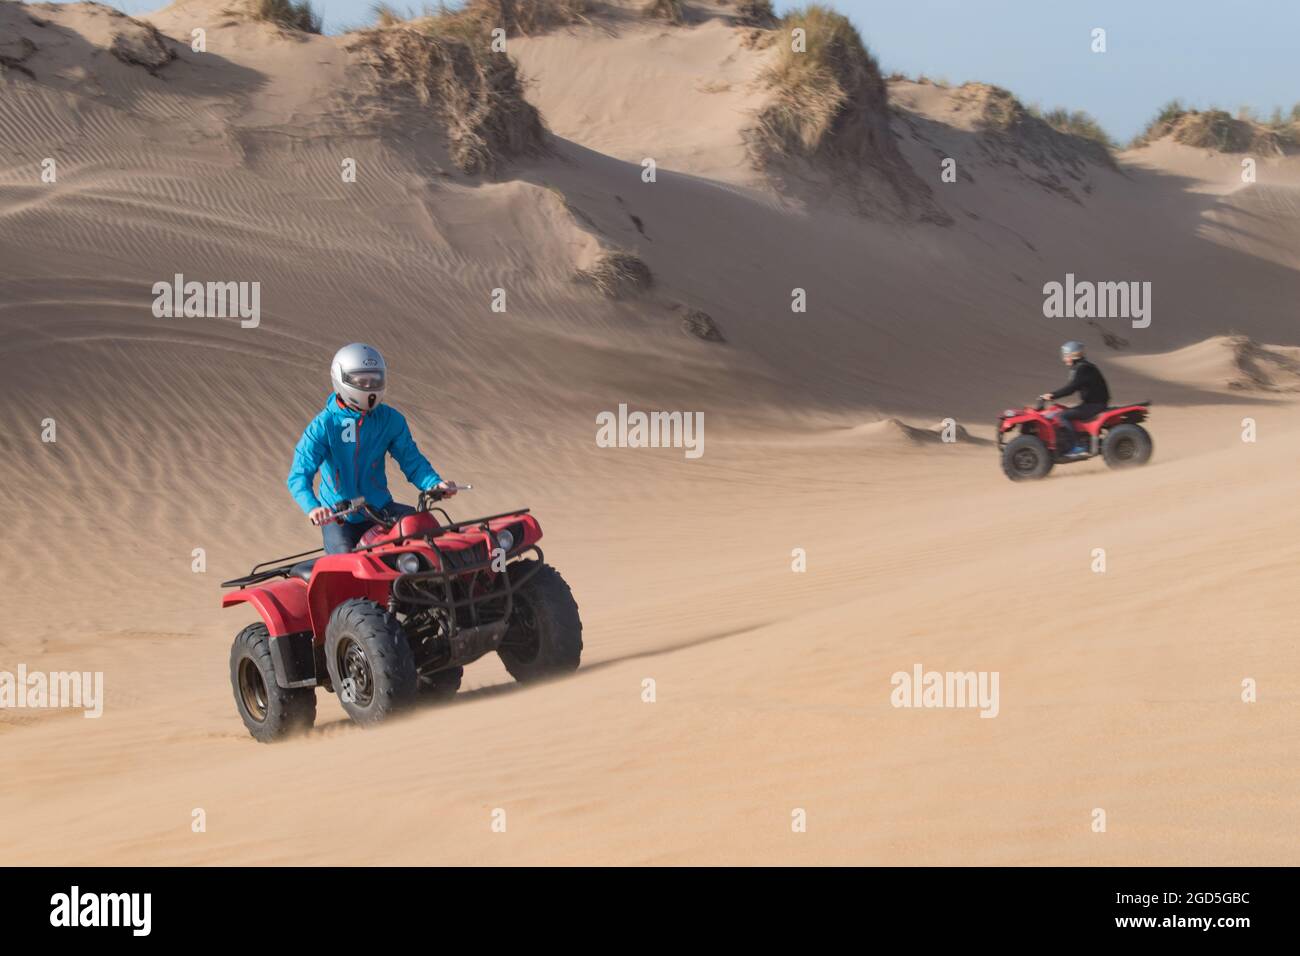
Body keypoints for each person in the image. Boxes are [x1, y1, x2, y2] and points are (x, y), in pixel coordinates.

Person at [287, 343, 457, 554]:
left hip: (380, 507)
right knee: (345, 564)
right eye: (361, 381)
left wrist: (434, 484)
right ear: (342, 379)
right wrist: (313, 507)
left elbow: (411, 460)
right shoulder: (325, 425)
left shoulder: (390, 419)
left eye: (375, 379)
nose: (370, 386)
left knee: (423, 527)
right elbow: (298, 475)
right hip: (339, 516)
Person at [1040, 340, 1110, 453]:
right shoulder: (1083, 367)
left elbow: (1071, 388)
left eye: (1066, 356)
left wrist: (1052, 395)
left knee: (1063, 416)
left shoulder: (1083, 369)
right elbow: (1073, 387)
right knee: (1063, 411)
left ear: (1073, 355)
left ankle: (1076, 444)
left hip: (1095, 405)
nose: (1064, 359)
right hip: (1092, 403)